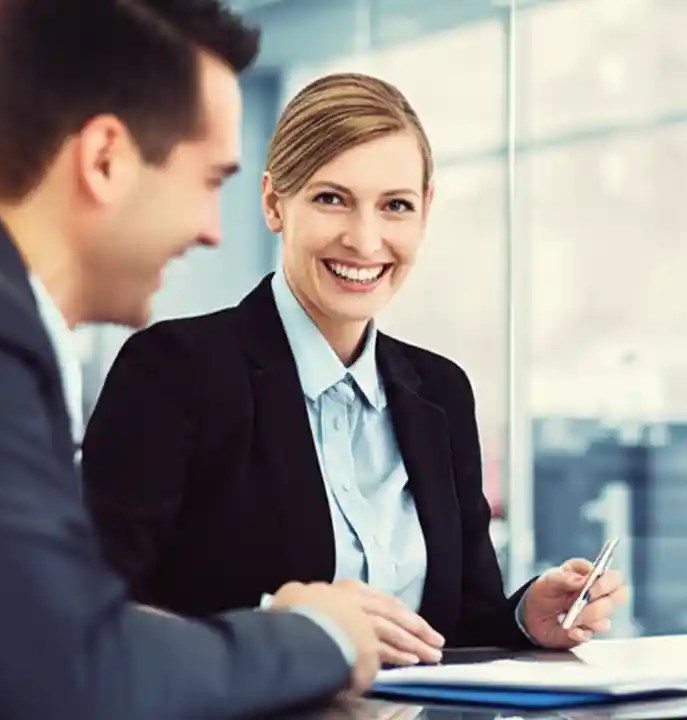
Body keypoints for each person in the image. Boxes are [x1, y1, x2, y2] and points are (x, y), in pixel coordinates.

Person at [0, 2, 384, 717]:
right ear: (105, 159)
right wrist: (316, 635)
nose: (211, 232)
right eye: (209, 181)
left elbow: (32, 625)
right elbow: (79, 677)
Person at [81, 72, 629, 667]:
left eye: (395, 206)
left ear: (425, 212)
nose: (366, 241)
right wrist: (282, 626)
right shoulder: (174, 373)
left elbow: (455, 625)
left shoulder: (441, 394)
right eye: (331, 199)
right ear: (273, 203)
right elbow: (90, 609)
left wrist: (525, 618)